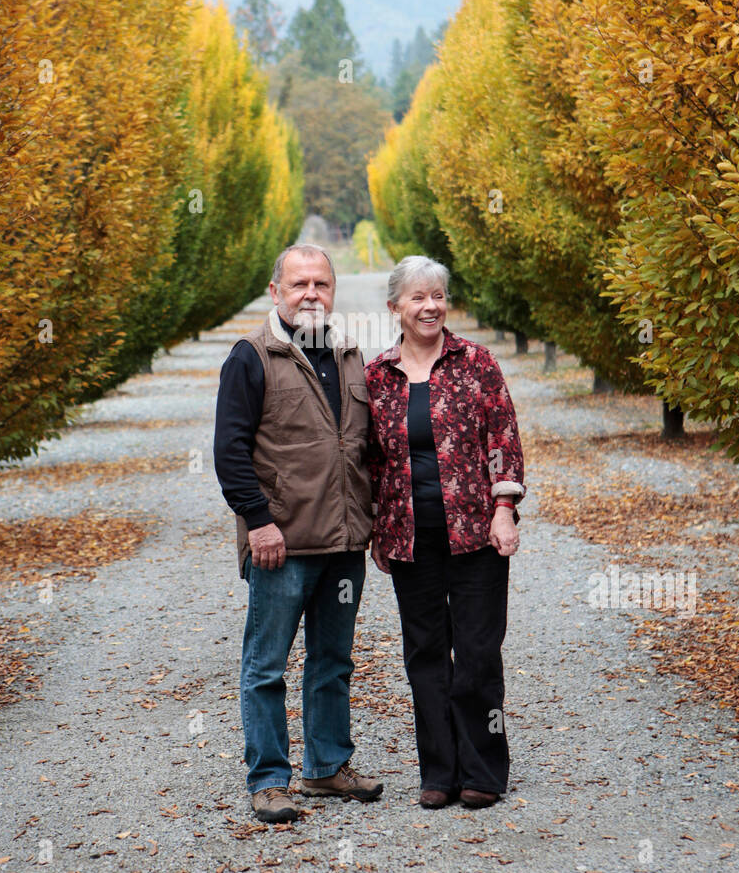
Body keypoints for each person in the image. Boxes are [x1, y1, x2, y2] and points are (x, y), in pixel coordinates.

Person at [213, 243, 383, 823]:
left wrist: (375, 522)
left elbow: (366, 449)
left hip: (343, 544)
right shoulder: (251, 356)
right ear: (276, 292)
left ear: (333, 293)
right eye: (299, 284)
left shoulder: (350, 354)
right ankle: (268, 779)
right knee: (266, 666)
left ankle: (326, 768)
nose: (311, 294)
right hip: (280, 545)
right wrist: (258, 523)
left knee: (333, 661)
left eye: (321, 284)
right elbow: (229, 451)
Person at [364, 255, 525, 809]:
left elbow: (502, 438)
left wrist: (504, 508)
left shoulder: (477, 363)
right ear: (395, 308)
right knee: (425, 653)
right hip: (410, 536)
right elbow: (369, 460)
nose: (430, 306)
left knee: (478, 651)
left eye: (437, 296)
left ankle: (482, 769)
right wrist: (373, 530)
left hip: (477, 532)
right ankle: (439, 772)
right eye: (417, 297)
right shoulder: (376, 376)